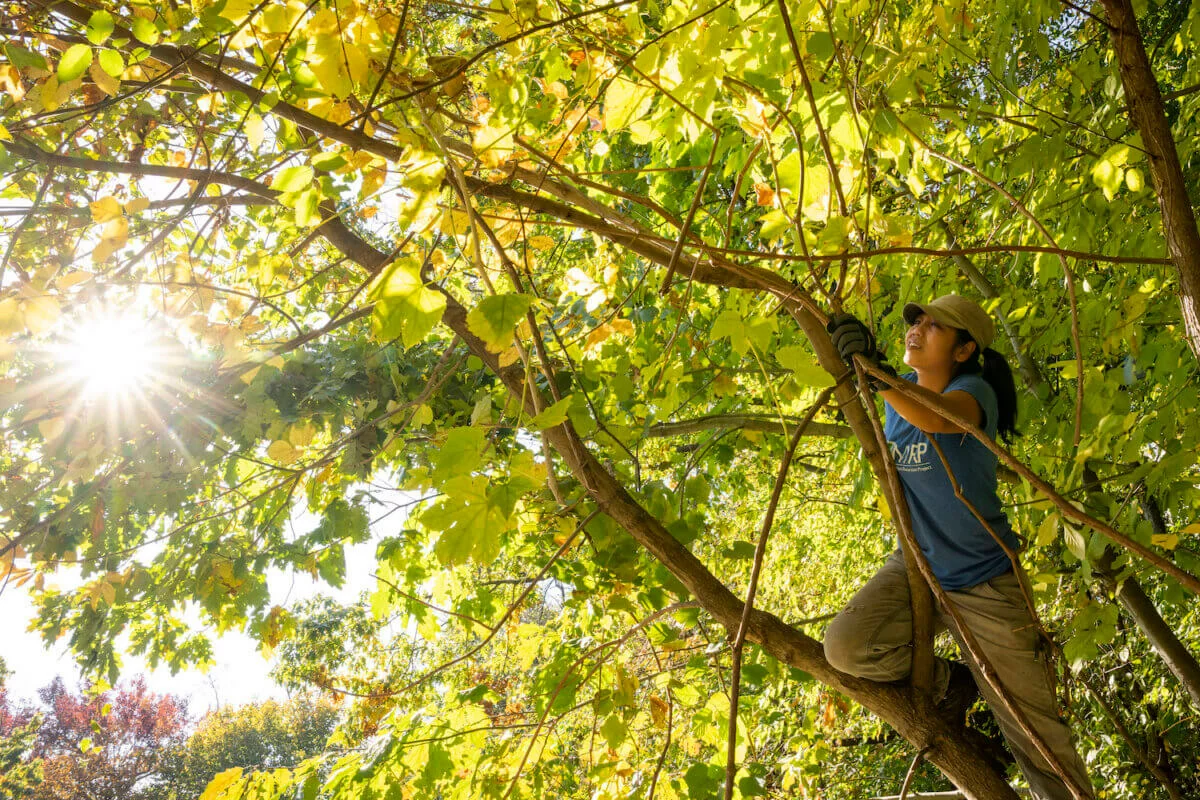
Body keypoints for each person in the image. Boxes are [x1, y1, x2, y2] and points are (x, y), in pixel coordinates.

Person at [821, 294, 1093, 800]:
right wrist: (859, 363)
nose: (917, 329)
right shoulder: (894, 405)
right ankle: (955, 683)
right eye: (916, 321)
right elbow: (906, 418)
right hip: (916, 566)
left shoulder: (974, 392)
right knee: (846, 646)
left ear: (964, 350)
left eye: (934, 326)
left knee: (1038, 739)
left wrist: (877, 374)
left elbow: (942, 419)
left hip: (984, 580)